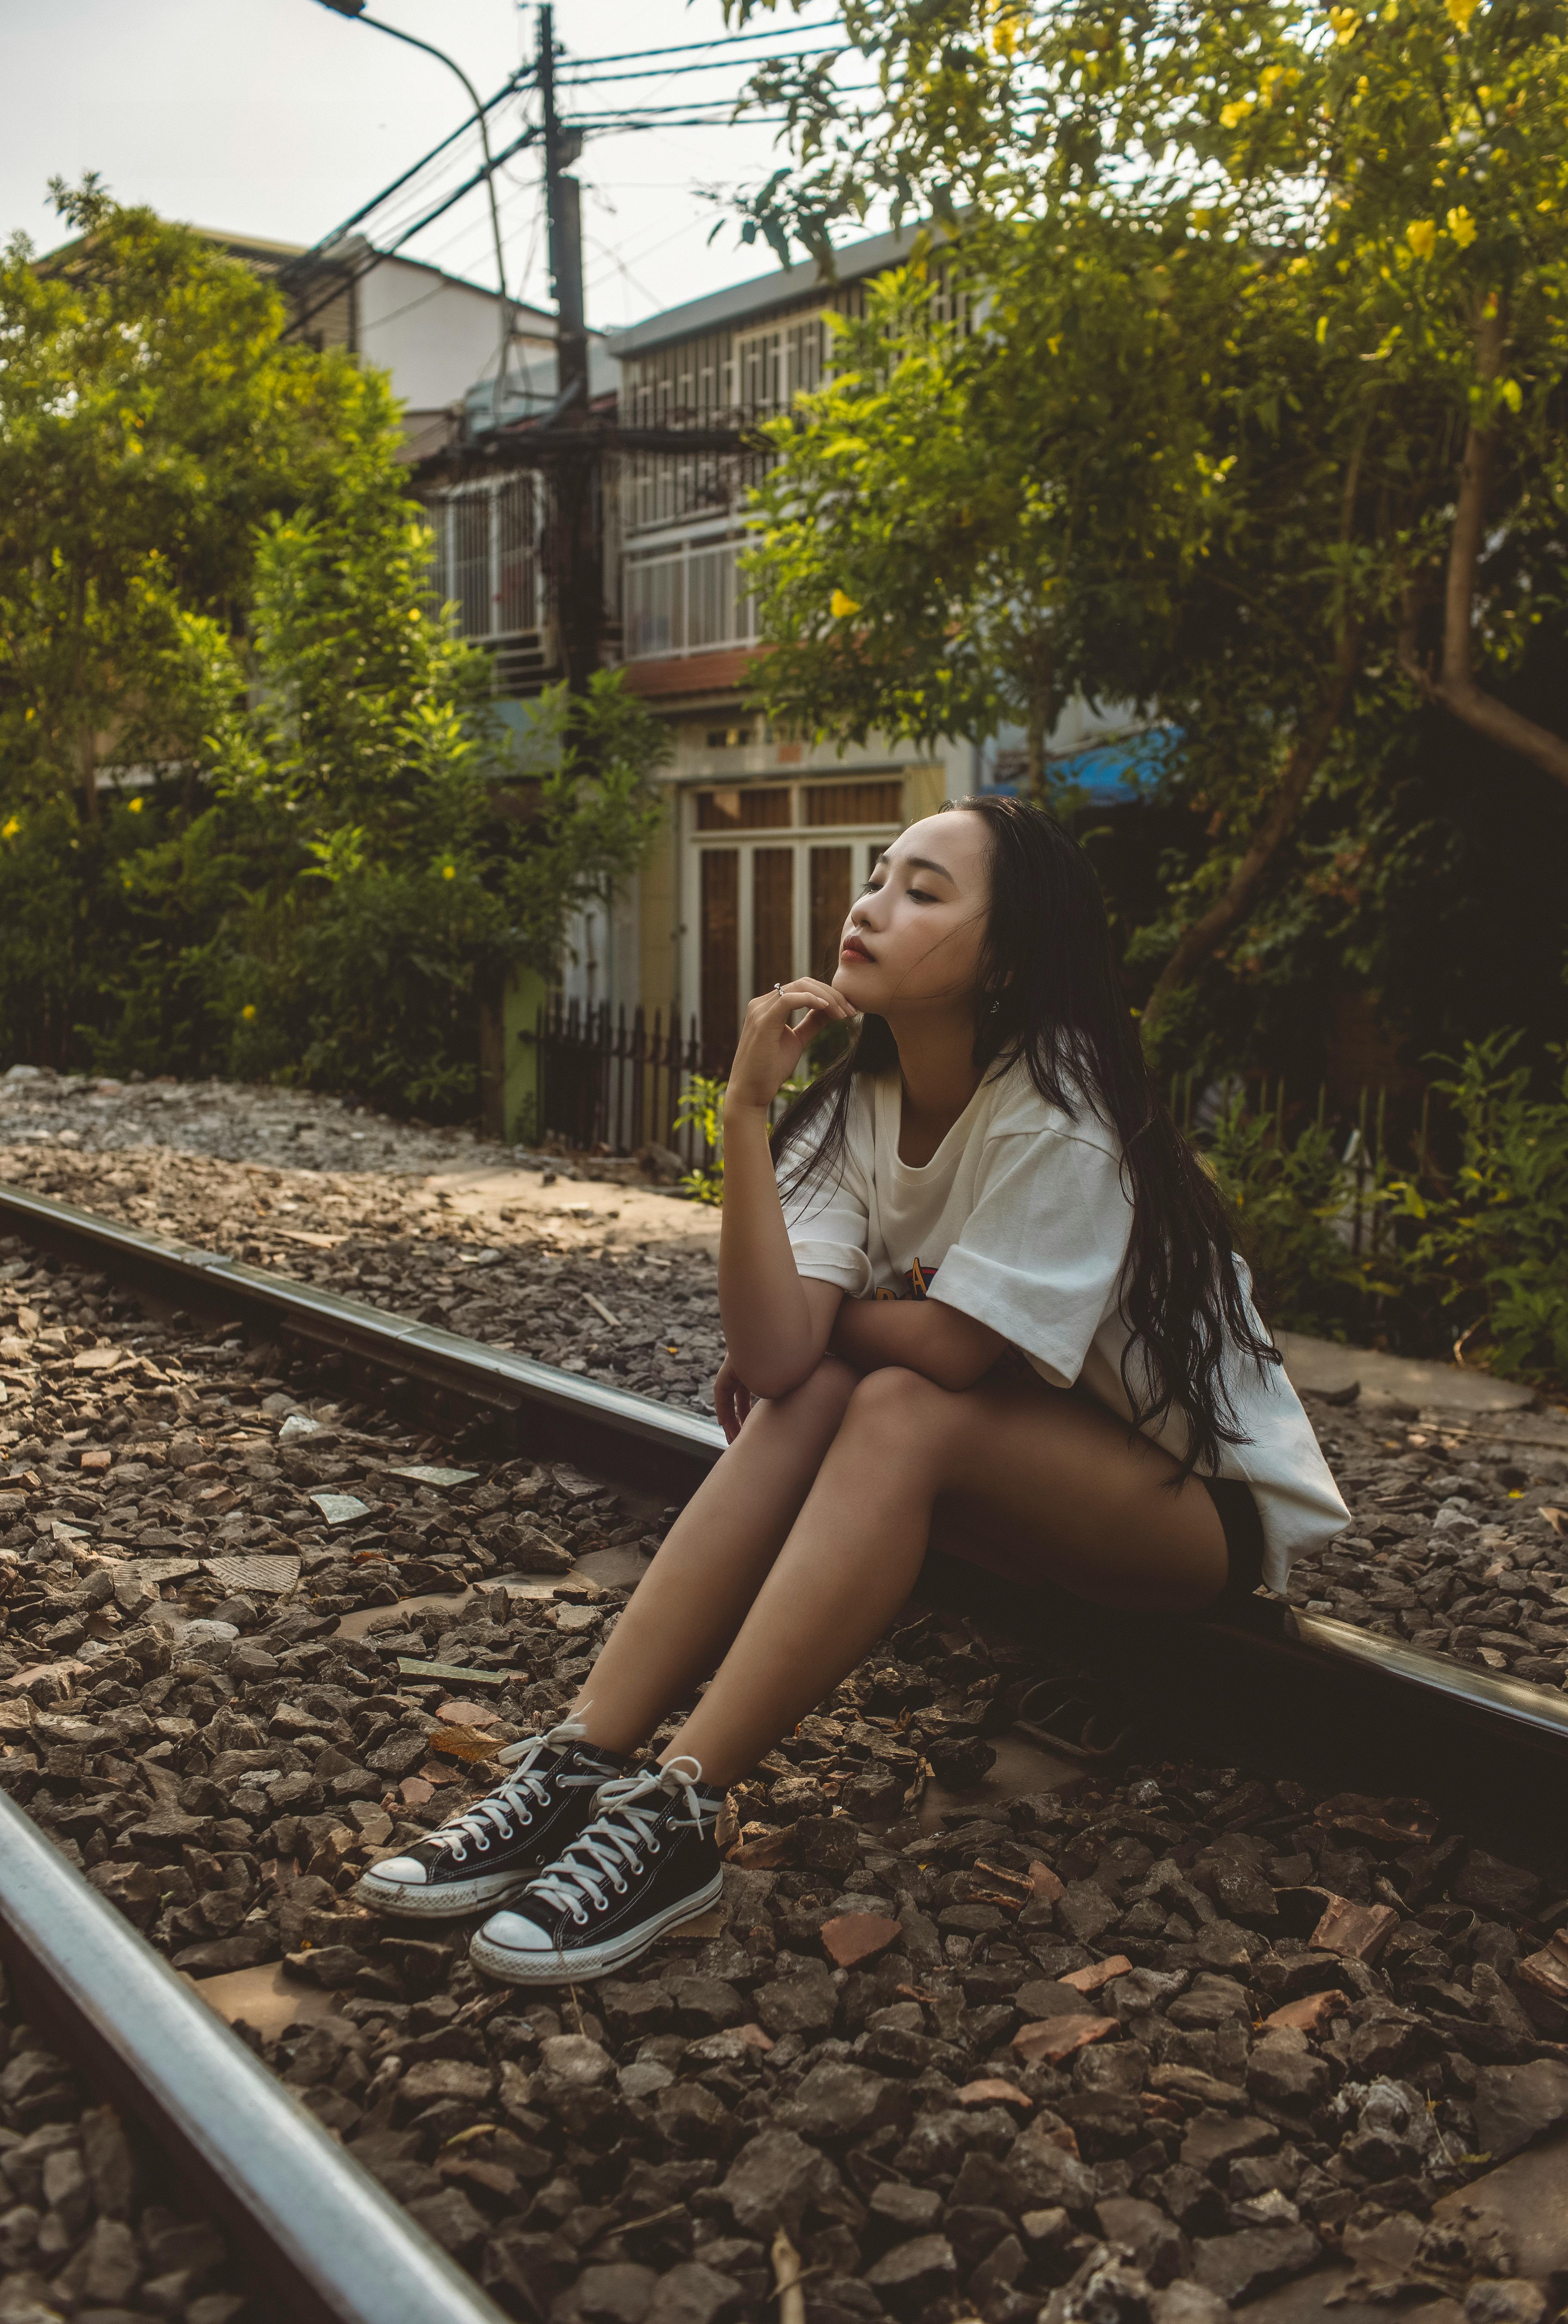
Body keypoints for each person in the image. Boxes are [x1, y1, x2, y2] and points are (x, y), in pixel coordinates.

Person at [358, 796, 1349, 1981]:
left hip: (1191, 1521)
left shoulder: (1061, 1110)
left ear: (1012, 957)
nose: (872, 907)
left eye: (925, 891)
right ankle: (580, 1757)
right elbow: (781, 1360)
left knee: (879, 1393)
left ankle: (682, 1811)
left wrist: (842, 1333)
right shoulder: (856, 1107)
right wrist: (746, 1109)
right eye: (878, 878)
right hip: (1019, 1491)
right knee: (829, 1390)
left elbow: (954, 1357)